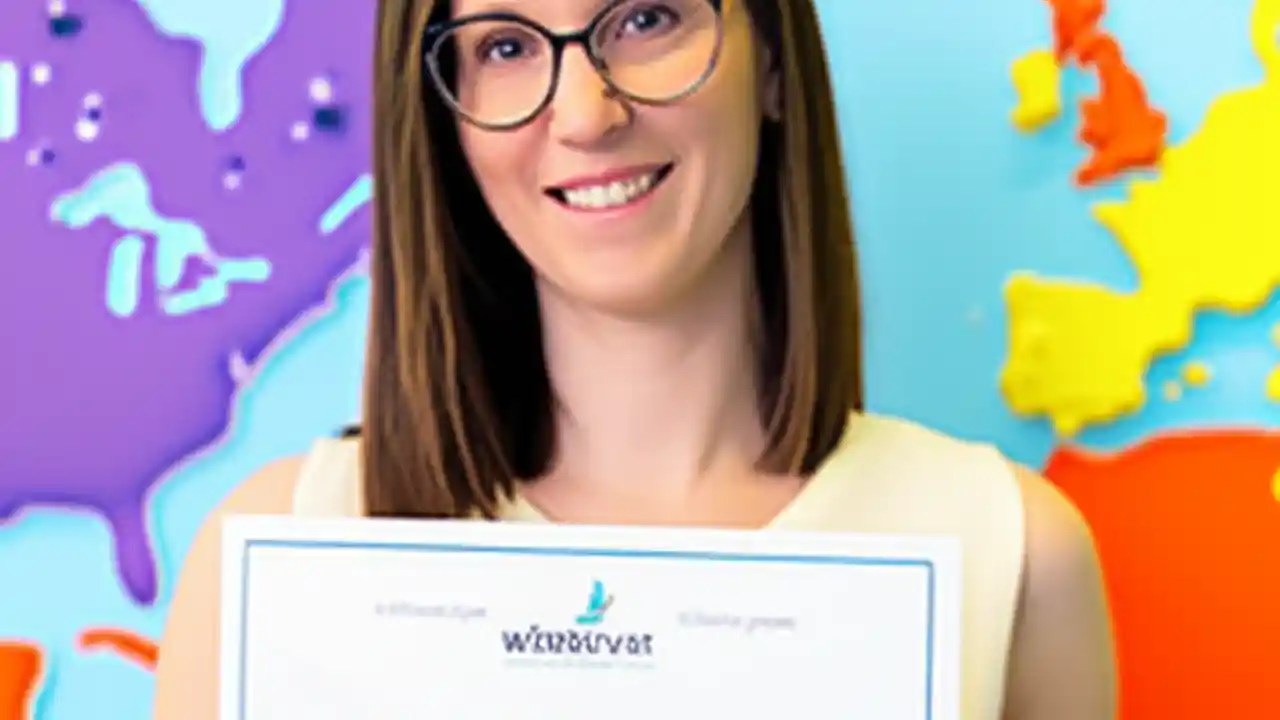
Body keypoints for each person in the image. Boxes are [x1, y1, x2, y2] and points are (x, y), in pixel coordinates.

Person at [153, 0, 1118, 717]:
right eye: (503, 47)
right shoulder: (274, 559)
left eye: (647, 18)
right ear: (444, 120)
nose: (585, 113)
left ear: (772, 63)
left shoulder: (1013, 553)